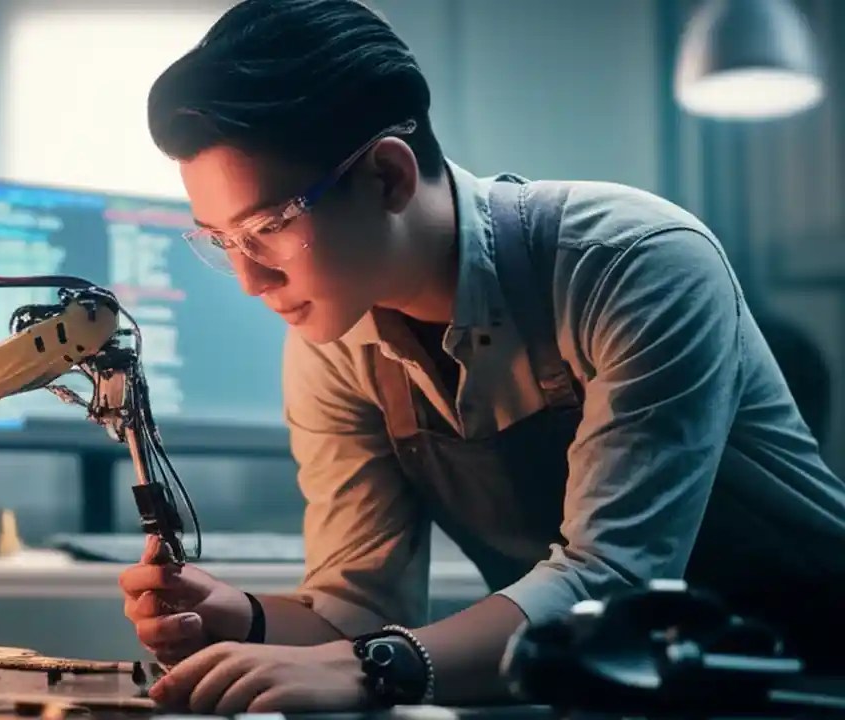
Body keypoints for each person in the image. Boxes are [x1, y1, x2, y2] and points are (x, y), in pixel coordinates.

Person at [118, 0, 845, 713]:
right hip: (615, 688)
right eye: (222, 241)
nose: (251, 280)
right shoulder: (336, 343)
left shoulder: (635, 264)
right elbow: (363, 608)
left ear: (388, 176)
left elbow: (611, 579)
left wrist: (376, 667)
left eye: (268, 229)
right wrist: (247, 619)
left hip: (810, 675)